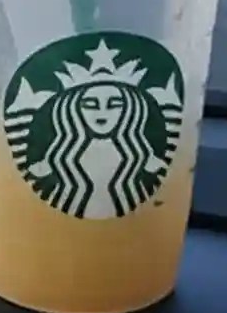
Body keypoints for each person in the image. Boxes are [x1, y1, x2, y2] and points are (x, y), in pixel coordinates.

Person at [27, 82, 168, 219]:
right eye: (90, 104)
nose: (102, 112)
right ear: (73, 109)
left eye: (114, 104)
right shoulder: (55, 160)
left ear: (129, 109)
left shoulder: (145, 159)